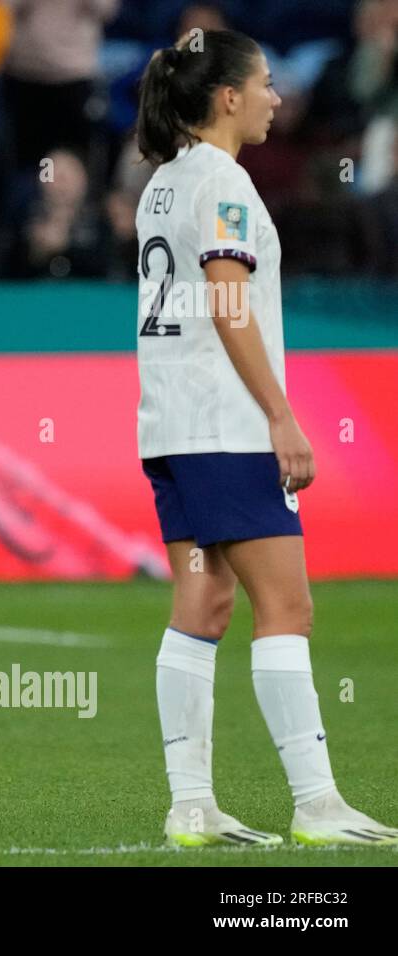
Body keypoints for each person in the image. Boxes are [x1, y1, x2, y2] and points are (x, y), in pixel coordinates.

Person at [135, 32, 398, 847]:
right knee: (286, 606)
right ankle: (317, 801)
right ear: (227, 98)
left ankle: (191, 805)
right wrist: (281, 415)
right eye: (265, 84)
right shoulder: (226, 184)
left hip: (170, 429)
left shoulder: (161, 187)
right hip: (228, 429)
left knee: (203, 600)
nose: (277, 98)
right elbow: (230, 303)